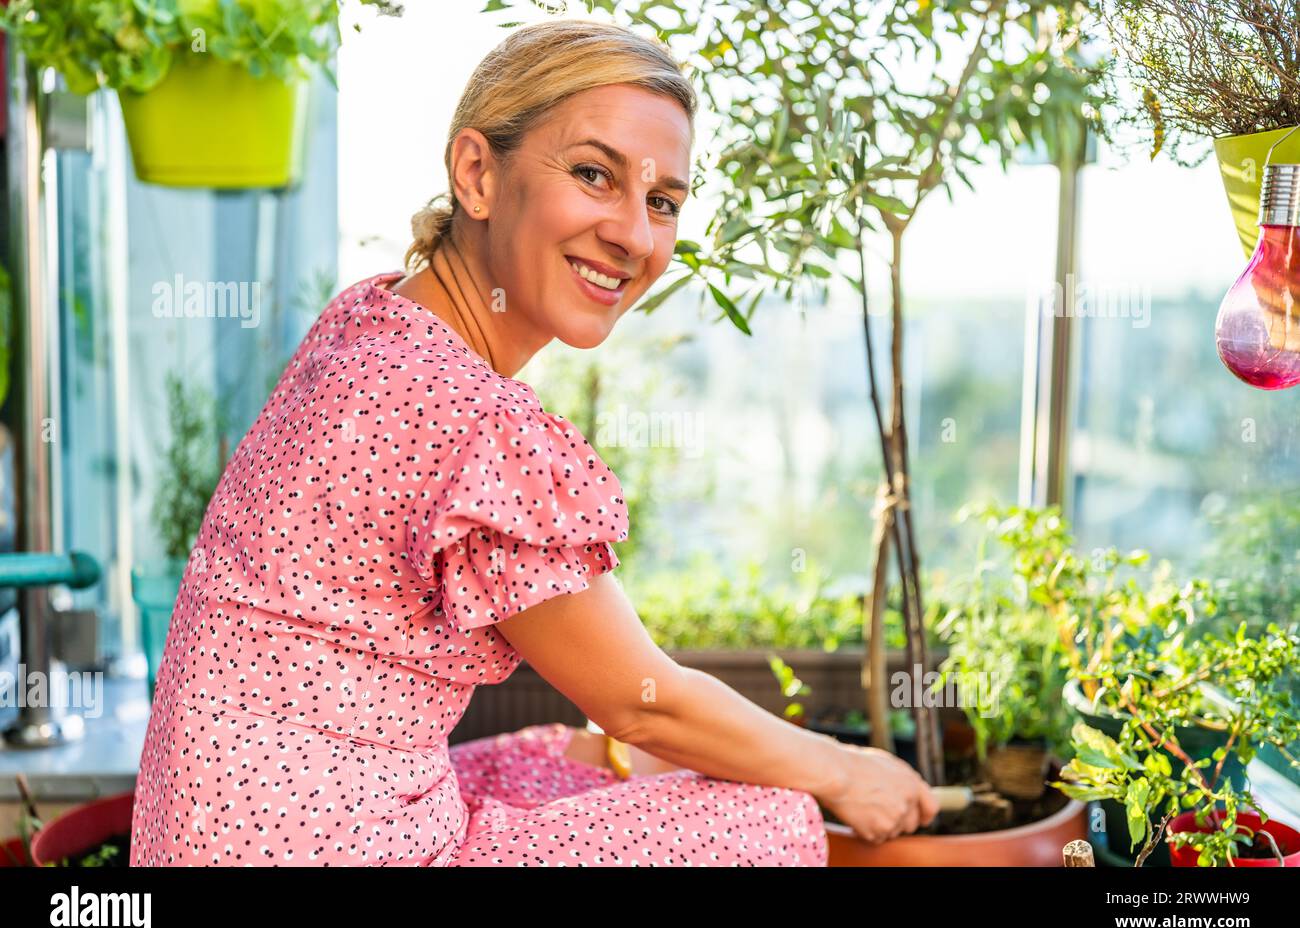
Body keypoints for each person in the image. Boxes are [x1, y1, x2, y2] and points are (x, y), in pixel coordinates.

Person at [129, 17, 937, 867]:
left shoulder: (373, 325)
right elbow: (643, 701)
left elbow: (625, 716)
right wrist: (844, 771)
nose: (634, 235)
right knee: (768, 819)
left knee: (567, 757)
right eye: (594, 175)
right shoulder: (471, 419)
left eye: (662, 201)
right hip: (309, 847)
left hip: (216, 837)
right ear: (477, 173)